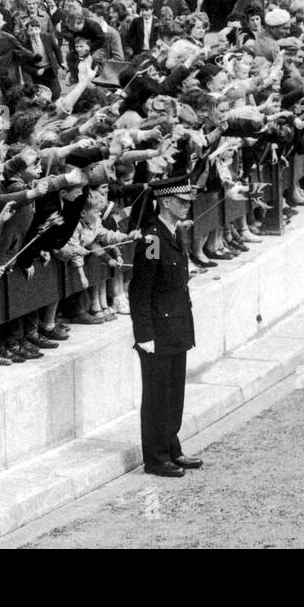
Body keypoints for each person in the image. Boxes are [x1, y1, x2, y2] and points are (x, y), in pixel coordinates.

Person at [128, 174, 203, 478]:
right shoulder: (153, 239)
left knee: (174, 393)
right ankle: (156, 458)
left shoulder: (173, 233)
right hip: (158, 331)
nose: (187, 206)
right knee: (157, 396)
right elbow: (140, 290)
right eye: (182, 202)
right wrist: (144, 334)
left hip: (177, 326)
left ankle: (172, 448)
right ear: (166, 202)